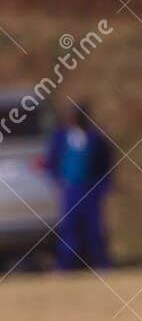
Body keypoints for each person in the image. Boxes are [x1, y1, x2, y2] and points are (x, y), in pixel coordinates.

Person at [46, 99, 113, 270]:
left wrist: (103, 186)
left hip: (90, 189)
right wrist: (58, 181)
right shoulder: (61, 138)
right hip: (70, 189)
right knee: (69, 228)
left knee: (94, 228)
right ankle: (66, 265)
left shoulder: (96, 138)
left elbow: (106, 164)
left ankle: (100, 262)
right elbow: (52, 161)